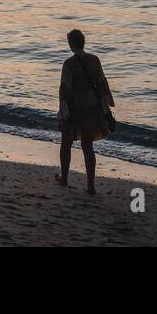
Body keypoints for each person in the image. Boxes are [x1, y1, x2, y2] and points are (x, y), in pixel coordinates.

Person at [57, 28, 115, 195]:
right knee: (87, 145)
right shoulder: (95, 60)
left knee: (66, 142)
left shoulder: (69, 64)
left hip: (75, 108)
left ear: (71, 44)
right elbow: (102, 82)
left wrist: (63, 109)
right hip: (92, 107)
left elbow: (65, 89)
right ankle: (91, 186)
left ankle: (64, 178)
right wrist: (108, 104)